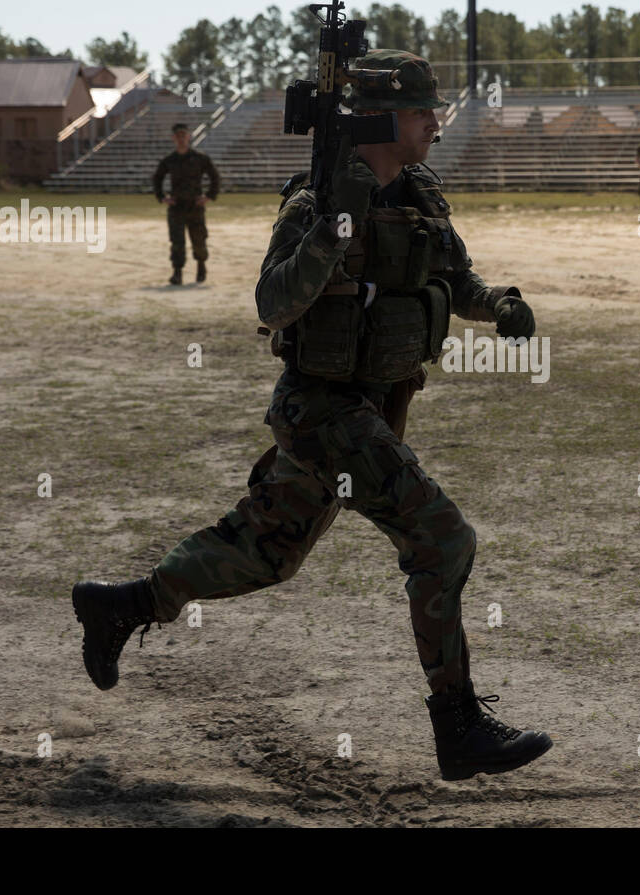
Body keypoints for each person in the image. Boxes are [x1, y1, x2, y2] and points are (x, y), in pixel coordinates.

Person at [74, 50, 553, 781]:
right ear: (384, 117)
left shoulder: (421, 194)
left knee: (267, 551)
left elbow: (453, 278)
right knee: (442, 538)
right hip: (322, 411)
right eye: (423, 109)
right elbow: (273, 304)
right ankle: (458, 728)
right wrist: (334, 229)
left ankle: (124, 606)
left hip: (372, 412)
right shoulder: (318, 201)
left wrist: (500, 306)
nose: (436, 120)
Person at [153, 123, 221, 284]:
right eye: (178, 136)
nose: (181, 139)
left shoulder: (200, 158)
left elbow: (215, 177)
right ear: (173, 138)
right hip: (176, 206)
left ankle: (201, 267)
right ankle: (177, 272)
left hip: (195, 205)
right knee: (177, 241)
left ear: (189, 137)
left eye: (184, 135)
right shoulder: (169, 160)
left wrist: (209, 196)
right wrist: (162, 197)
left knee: (199, 239)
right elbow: (157, 179)